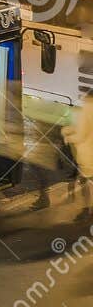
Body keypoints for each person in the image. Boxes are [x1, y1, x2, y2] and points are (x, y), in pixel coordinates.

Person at [63, 90, 93, 219]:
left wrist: (68, 138)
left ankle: (86, 211)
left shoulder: (86, 109)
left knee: (85, 183)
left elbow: (81, 134)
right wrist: (69, 129)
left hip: (88, 154)